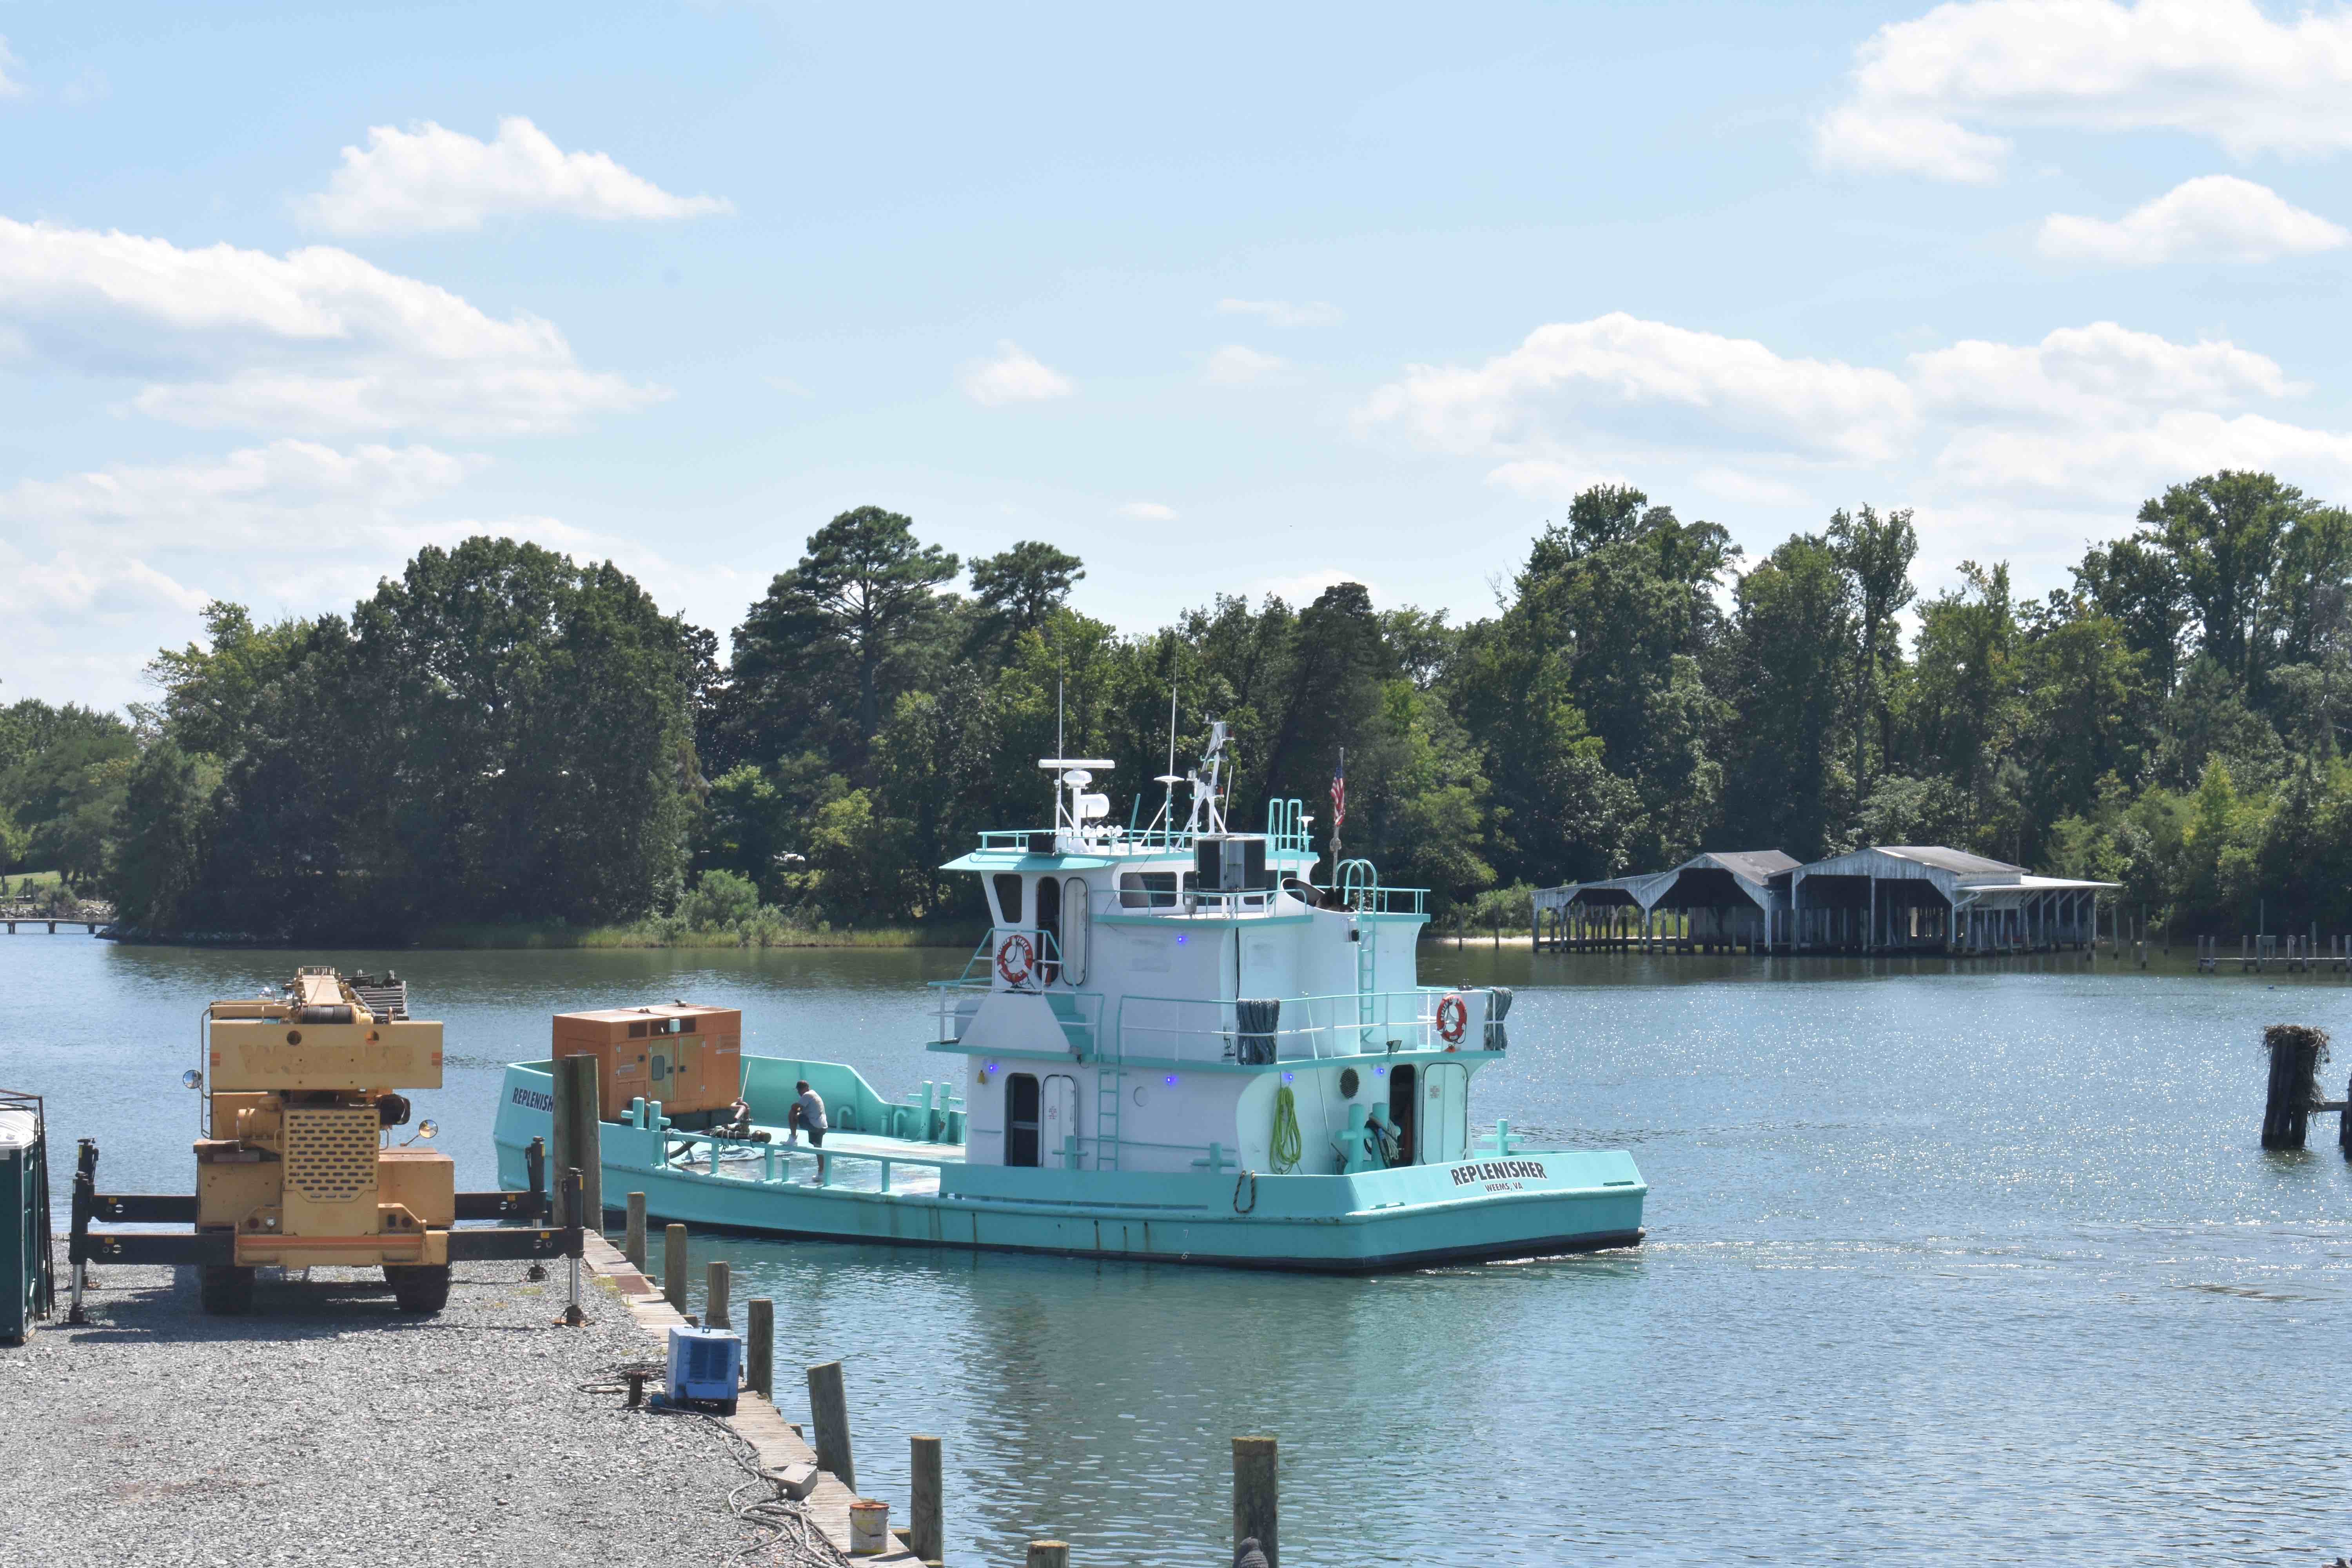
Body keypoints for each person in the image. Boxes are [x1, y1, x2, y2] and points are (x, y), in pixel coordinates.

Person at [795, 1079, 828, 1180]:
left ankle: (792, 1138)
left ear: (805, 1089)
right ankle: (822, 1173)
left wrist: (797, 1112)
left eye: (800, 1090)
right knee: (818, 1148)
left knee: (793, 1115)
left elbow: (796, 1107)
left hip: (815, 1126)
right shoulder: (814, 1094)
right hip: (822, 1126)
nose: (799, 1093)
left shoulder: (807, 1095)